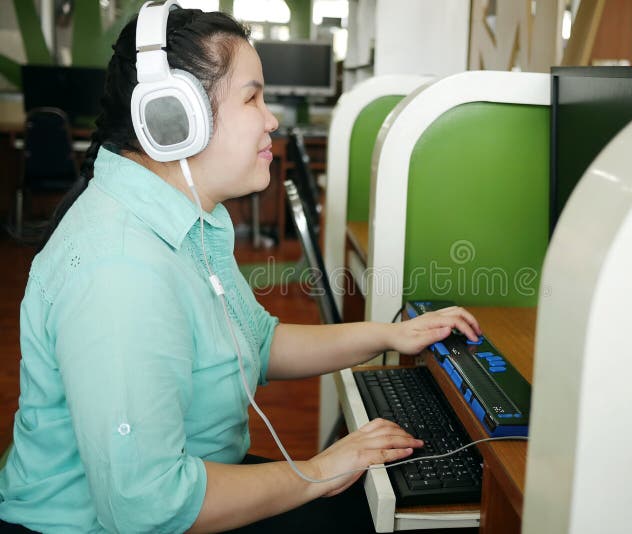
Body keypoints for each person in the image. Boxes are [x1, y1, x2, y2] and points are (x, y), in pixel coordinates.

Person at [0, 5, 482, 533]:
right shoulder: (121, 271)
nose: (271, 118)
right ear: (174, 118)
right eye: (252, 97)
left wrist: (390, 334)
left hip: (195, 490)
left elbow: (257, 341)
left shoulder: (190, 221)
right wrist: (322, 468)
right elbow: (149, 507)